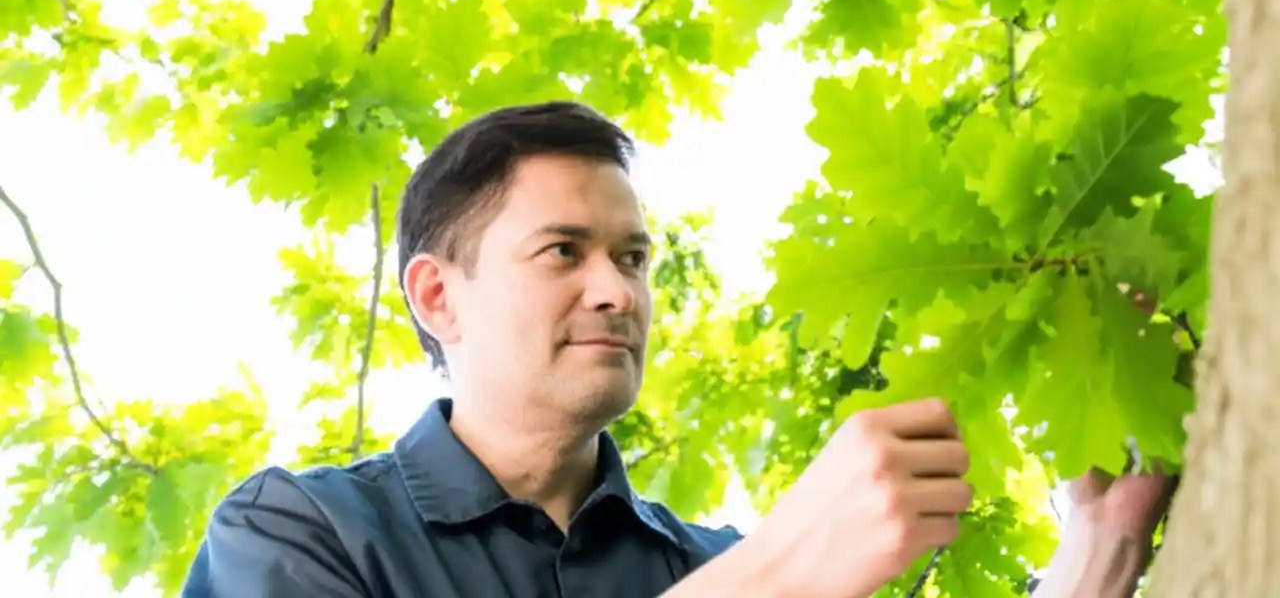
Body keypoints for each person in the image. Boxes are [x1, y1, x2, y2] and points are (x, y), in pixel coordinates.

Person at [180, 101, 1176, 597]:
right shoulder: (299, 531)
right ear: (439, 295)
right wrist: (776, 575)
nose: (617, 290)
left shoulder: (704, 559)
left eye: (633, 256)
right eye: (562, 251)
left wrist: (1097, 550)